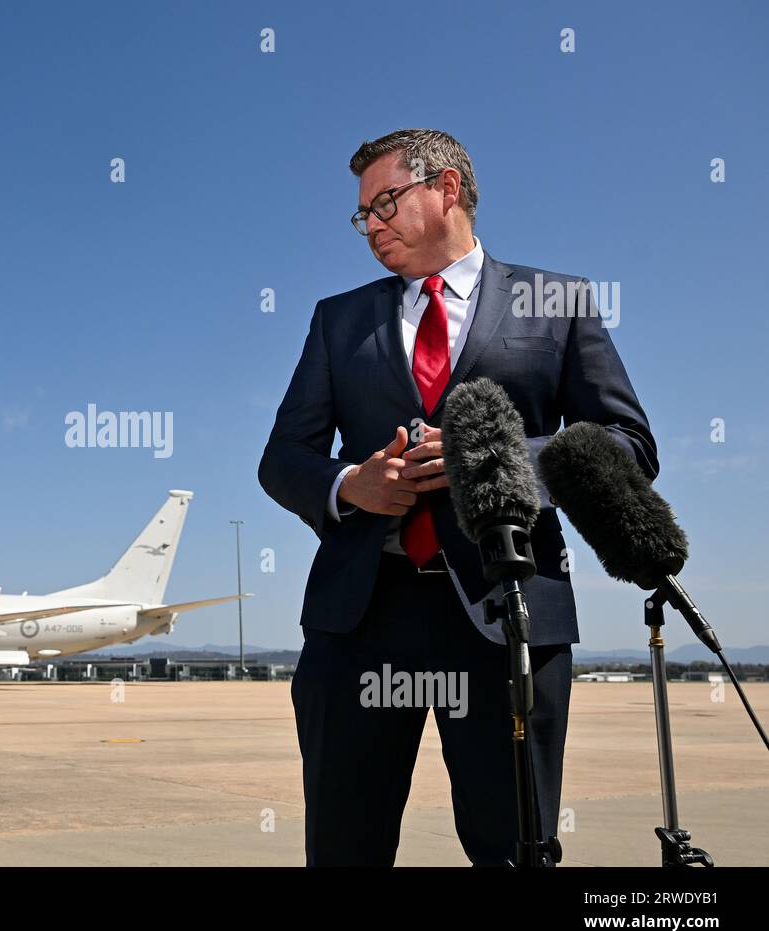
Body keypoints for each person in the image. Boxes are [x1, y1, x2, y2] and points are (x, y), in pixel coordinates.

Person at [258, 128, 657, 866]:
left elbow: (628, 446)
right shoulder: (337, 320)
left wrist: (496, 460)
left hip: (508, 613)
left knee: (514, 851)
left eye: (385, 203)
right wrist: (352, 484)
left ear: (446, 189)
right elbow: (283, 459)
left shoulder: (558, 302)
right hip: (360, 622)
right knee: (344, 851)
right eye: (362, 216)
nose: (371, 225)